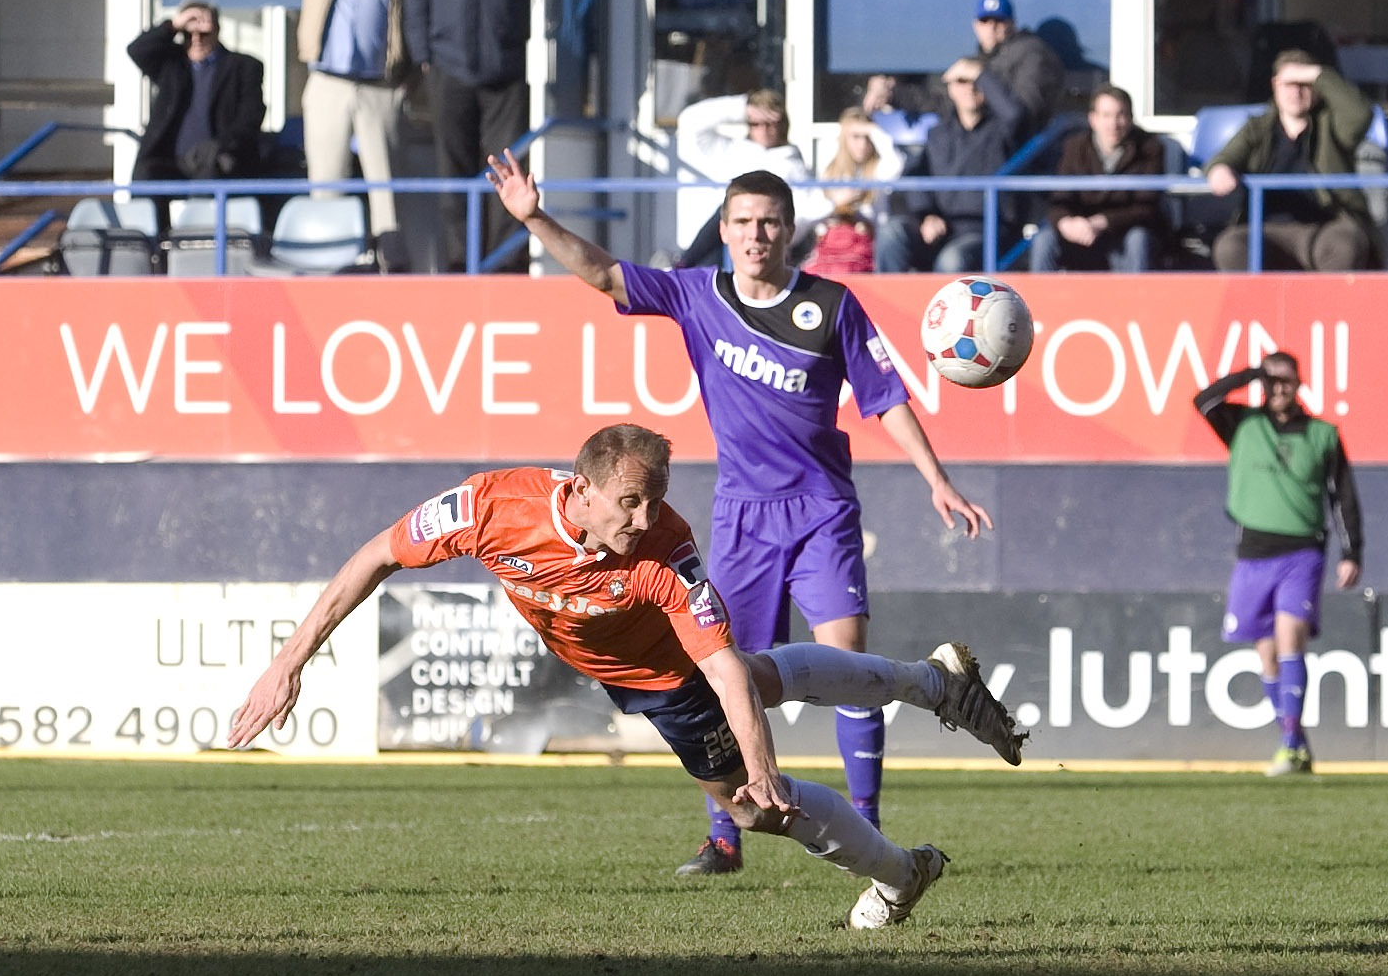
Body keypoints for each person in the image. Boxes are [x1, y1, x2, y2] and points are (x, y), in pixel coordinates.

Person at [227, 423, 1019, 927]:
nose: (643, 521)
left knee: (750, 807)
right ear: (579, 490)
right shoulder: (488, 507)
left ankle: (901, 874)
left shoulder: (667, 550)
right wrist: (286, 665)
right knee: (766, 676)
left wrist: (765, 768)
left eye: (654, 503)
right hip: (625, 667)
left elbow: (719, 671)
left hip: (669, 676)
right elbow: (376, 555)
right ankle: (932, 684)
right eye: (630, 503)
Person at [487, 156, 1017, 876]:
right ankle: (724, 837)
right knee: (718, 670)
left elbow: (885, 396)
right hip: (742, 514)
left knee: (847, 661)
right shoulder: (696, 294)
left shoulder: (831, 305)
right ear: (724, 228)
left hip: (822, 508)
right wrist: (534, 218)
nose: (755, 235)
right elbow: (605, 274)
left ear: (791, 230)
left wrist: (937, 480)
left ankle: (867, 828)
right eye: (742, 222)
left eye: (769, 222)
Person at [1190, 353, 1363, 777]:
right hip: (1253, 555)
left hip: (1302, 552)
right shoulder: (1244, 425)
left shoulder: (1322, 435)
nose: (1279, 389)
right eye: (1272, 382)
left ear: (1300, 384)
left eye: (1287, 381)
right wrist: (1253, 374)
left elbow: (1343, 496)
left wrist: (1352, 552)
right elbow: (1204, 400)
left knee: (1289, 639)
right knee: (1266, 654)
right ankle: (1296, 743)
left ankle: (1288, 747)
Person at [406, 0, 532, 271]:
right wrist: (423, 55)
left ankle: (505, 265)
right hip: (449, 69)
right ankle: (460, 265)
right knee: (454, 173)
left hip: (505, 73)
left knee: (509, 169)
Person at [271, 0, 411, 242]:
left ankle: (391, 261)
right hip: (328, 83)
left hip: (379, 86)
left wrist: (410, 79)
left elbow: (412, 20)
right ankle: (327, 255)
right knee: (326, 182)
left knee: (387, 190)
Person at [1204, 51, 1378, 273]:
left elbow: (1360, 114)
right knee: (1230, 246)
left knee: (1345, 246)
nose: (1296, 92)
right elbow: (1225, 158)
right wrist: (1219, 169)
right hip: (1264, 228)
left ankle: (1327, 300)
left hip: (1325, 226)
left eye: (1304, 85)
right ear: (1275, 85)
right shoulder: (1258, 127)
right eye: (1289, 84)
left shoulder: (1333, 126)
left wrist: (1319, 74)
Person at [127, 0, 267, 238]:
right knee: (146, 174)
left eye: (203, 33)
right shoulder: (172, 64)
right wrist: (173, 25)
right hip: (171, 160)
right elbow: (137, 50)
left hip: (216, 160)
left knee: (208, 181)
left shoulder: (243, 67)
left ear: (217, 31)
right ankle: (152, 247)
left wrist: (219, 146)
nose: (196, 40)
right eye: (188, 34)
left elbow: (251, 118)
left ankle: (196, 247)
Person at [875, 57, 1027, 274]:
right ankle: (887, 299)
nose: (970, 87)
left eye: (976, 81)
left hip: (985, 233)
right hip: (940, 228)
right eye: (962, 81)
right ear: (950, 88)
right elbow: (916, 176)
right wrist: (926, 215)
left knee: (951, 261)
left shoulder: (1003, 131)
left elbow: (1015, 114)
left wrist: (980, 73)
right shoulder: (937, 133)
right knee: (892, 233)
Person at [1031, 84, 1169, 273]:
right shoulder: (1074, 147)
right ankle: (1039, 293)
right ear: (1093, 119)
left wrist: (1102, 222)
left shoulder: (1150, 148)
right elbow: (1058, 200)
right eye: (1106, 115)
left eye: (1120, 115)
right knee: (1044, 239)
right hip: (1082, 237)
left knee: (1139, 239)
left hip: (1124, 236)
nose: (1113, 124)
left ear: (1130, 118)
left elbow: (1147, 208)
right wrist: (1066, 223)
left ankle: (1138, 293)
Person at [670, 90, 809, 268]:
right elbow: (690, 121)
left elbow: (805, 210)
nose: (764, 129)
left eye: (771, 123)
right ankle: (683, 264)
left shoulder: (793, 163)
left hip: (760, 244)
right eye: (756, 123)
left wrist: (783, 240)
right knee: (727, 213)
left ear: (782, 125)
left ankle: (682, 263)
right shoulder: (731, 150)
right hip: (717, 243)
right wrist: (743, 108)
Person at [794, 106, 904, 274]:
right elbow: (809, 215)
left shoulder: (878, 170)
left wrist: (873, 129)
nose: (863, 144)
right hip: (831, 249)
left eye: (867, 138)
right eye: (856, 137)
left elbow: (896, 164)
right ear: (844, 138)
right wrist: (835, 203)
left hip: (867, 248)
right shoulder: (830, 171)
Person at [971, 0, 1066, 140]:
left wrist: (982, 77)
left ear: (1012, 24)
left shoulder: (1032, 54)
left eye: (999, 21)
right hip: (981, 143)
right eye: (985, 21)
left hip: (1024, 146)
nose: (992, 27)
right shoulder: (973, 63)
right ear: (976, 25)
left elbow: (1025, 115)